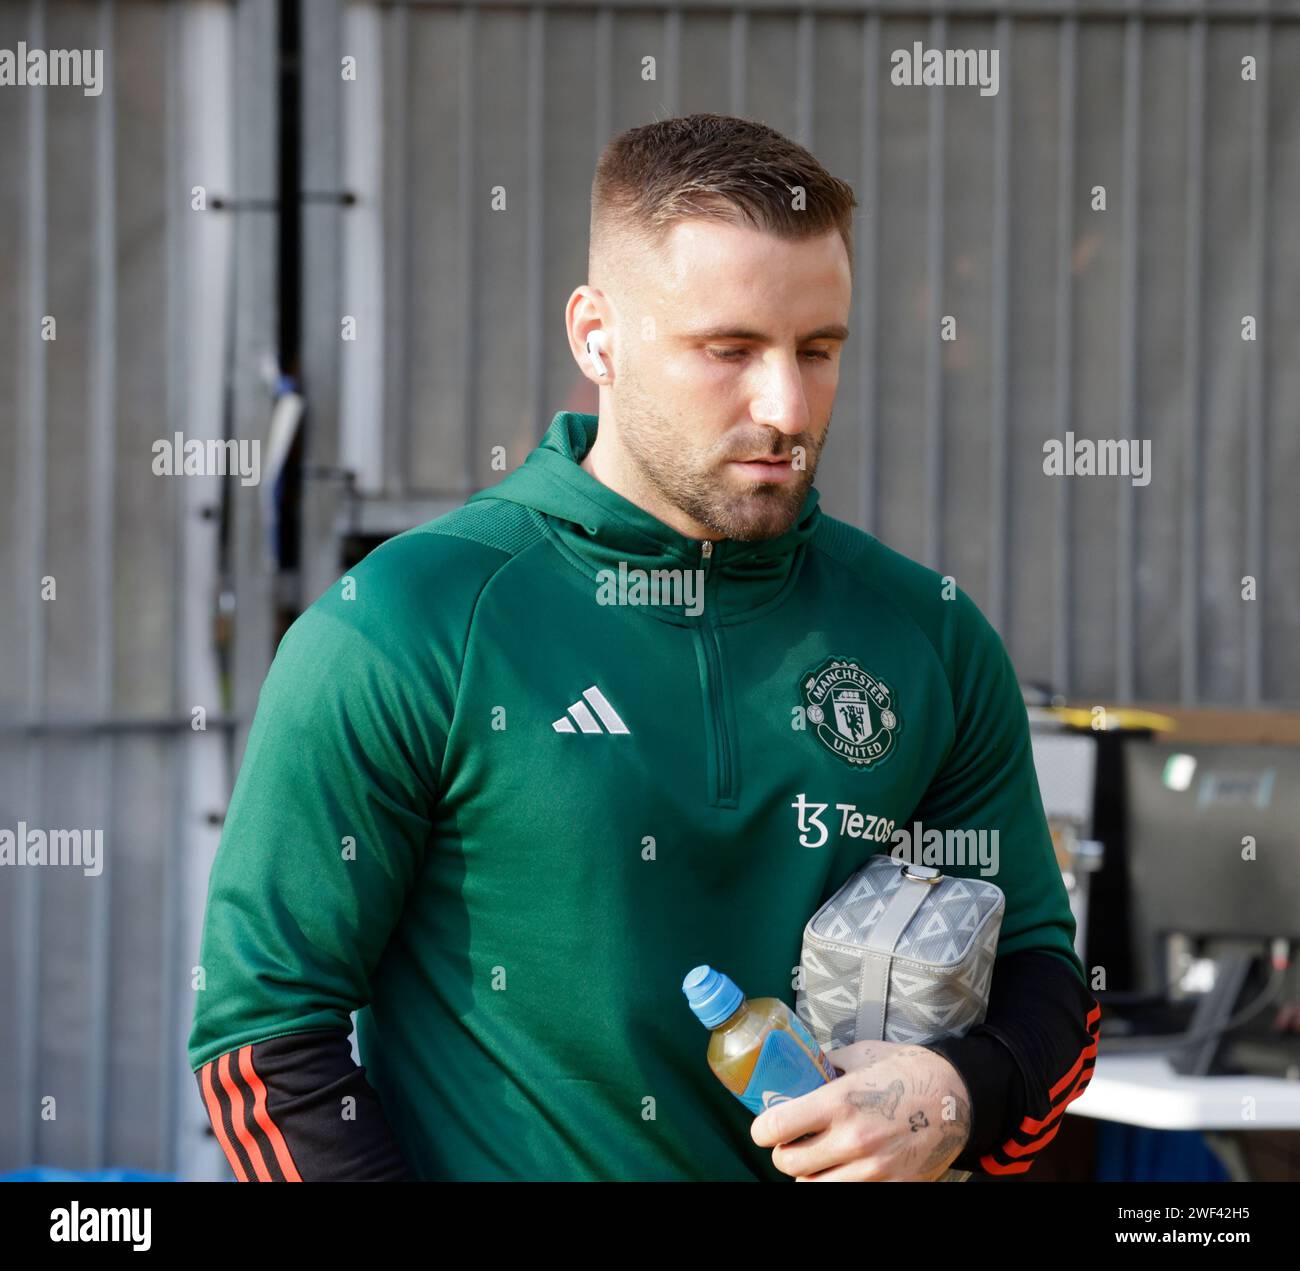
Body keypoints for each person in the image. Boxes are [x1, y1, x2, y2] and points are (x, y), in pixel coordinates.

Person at [188, 113, 1099, 1182]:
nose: (786, 405)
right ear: (595, 335)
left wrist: (956, 1094)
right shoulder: (406, 621)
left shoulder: (926, 633)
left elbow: (1049, 982)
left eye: (818, 349)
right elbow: (261, 1037)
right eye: (730, 349)